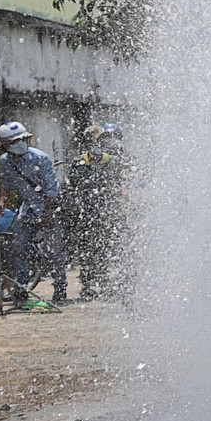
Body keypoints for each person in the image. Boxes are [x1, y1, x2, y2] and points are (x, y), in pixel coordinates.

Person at [0, 120, 69, 302]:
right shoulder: (5, 162)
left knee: (54, 250)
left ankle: (60, 286)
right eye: (14, 142)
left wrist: (47, 215)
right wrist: (2, 201)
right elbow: (7, 184)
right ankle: (21, 286)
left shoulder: (41, 159)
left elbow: (52, 191)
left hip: (49, 207)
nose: (19, 144)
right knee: (20, 246)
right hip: (28, 207)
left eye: (21, 140)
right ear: (6, 145)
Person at [67, 122, 127, 300]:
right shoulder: (79, 162)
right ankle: (89, 284)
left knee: (107, 247)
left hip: (107, 211)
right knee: (88, 249)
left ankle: (105, 283)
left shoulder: (113, 161)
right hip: (87, 212)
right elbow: (72, 186)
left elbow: (122, 184)